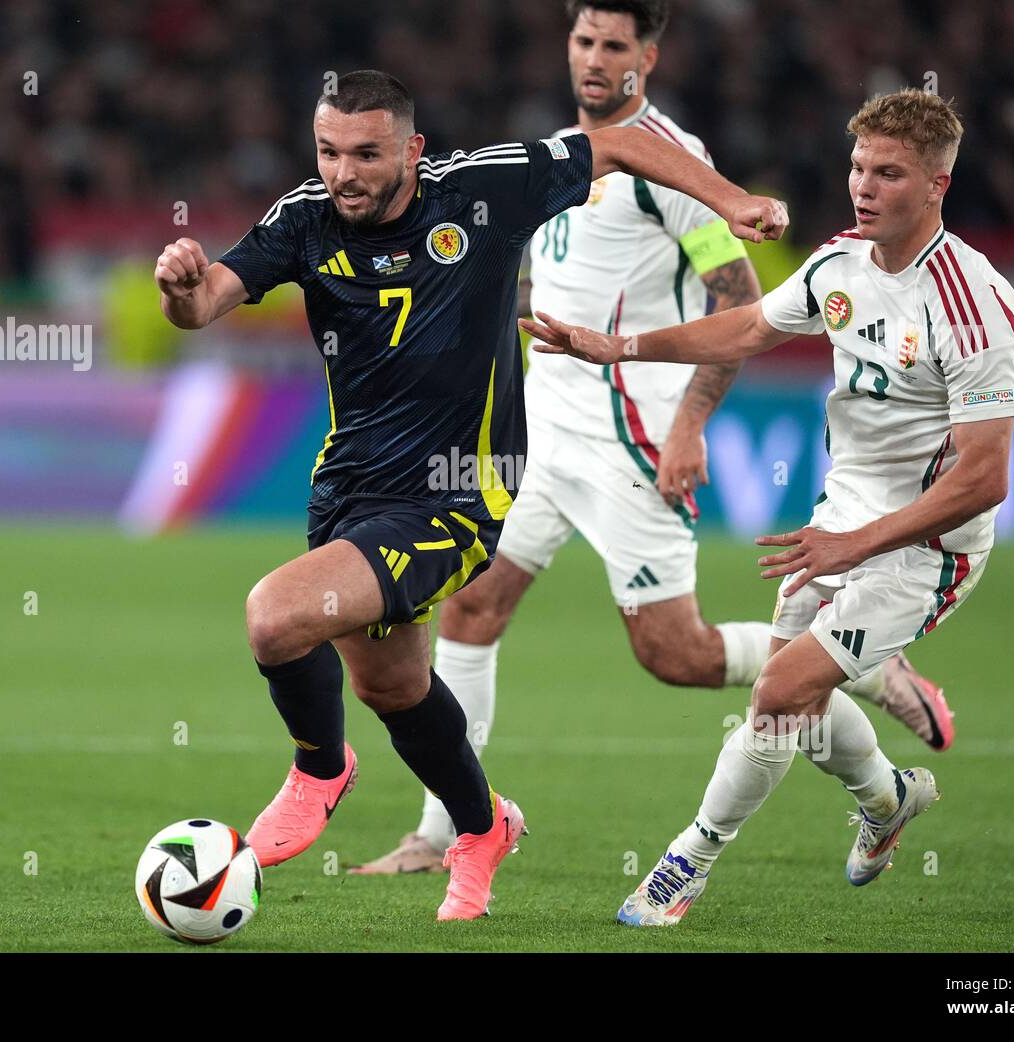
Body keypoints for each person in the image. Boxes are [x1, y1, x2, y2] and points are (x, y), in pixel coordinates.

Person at [154, 69, 788, 920]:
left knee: (275, 616)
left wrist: (727, 199)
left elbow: (621, 144)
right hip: (349, 489)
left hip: (458, 495)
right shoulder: (304, 220)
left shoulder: (484, 188)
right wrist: (182, 291)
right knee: (393, 689)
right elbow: (206, 307)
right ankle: (483, 825)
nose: (343, 172)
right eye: (329, 151)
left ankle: (317, 769)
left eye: (367, 154)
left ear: (412, 150)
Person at [354, 1, 950, 877]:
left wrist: (688, 427)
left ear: (649, 56)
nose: (594, 58)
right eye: (583, 40)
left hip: (629, 443)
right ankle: (443, 832)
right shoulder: (564, 151)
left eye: (613, 45)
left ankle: (861, 669)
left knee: (674, 654)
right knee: (471, 607)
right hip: (536, 435)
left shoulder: (672, 165)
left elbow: (738, 298)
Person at [521, 87, 1014, 926]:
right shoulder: (839, 265)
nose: (864, 186)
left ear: (937, 184)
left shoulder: (971, 306)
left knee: (782, 689)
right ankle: (887, 798)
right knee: (801, 699)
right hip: (840, 523)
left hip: (927, 547)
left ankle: (685, 866)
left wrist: (856, 544)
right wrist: (624, 346)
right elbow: (748, 327)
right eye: (859, 166)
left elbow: (983, 478)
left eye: (888, 173)